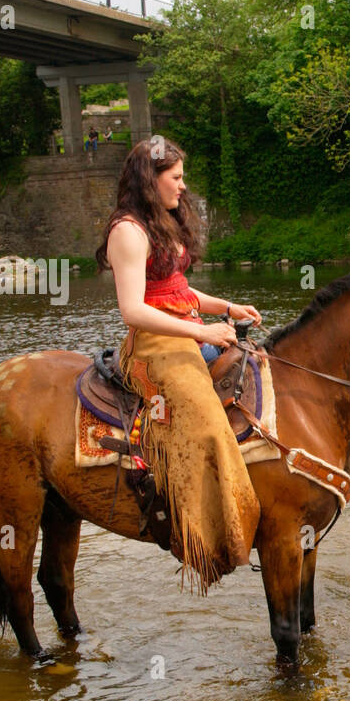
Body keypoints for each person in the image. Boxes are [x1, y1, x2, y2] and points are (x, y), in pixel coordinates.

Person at [95, 137, 263, 594]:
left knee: (257, 372)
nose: (183, 187)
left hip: (185, 330)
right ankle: (205, 539)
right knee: (207, 423)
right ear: (152, 180)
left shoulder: (163, 220)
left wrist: (227, 308)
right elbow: (133, 309)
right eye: (176, 178)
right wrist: (204, 332)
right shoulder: (127, 231)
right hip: (152, 345)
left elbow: (179, 292)